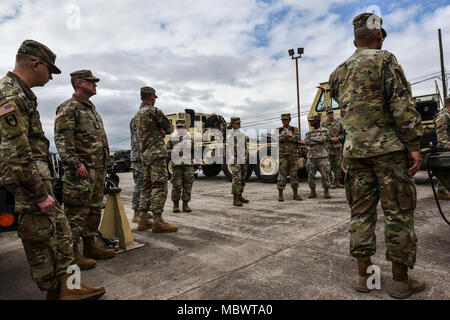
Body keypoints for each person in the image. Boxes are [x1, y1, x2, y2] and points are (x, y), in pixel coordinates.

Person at [329, 13, 425, 299]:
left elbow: (347, 106)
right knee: (397, 214)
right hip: (388, 152)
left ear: (354, 40)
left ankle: (365, 278)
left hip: (355, 154)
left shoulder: (339, 72)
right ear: (380, 36)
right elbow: (402, 107)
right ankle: (399, 283)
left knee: (361, 215)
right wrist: (414, 146)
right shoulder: (385, 60)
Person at [0, 40, 104, 300]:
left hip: (38, 182)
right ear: (36, 64)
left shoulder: (22, 93)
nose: (50, 78)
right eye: (49, 71)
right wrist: (38, 193)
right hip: (30, 186)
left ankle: (69, 288)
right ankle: (59, 291)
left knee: (59, 237)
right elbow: (14, 153)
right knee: (42, 242)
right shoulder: (10, 95)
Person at [54, 70, 115, 271]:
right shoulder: (68, 108)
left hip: (97, 171)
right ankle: (72, 255)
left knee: (93, 210)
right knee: (75, 214)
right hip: (81, 172)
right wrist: (75, 164)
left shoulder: (91, 109)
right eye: (91, 82)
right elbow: (63, 140)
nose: (95, 84)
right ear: (79, 83)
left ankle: (90, 247)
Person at [135, 86, 177, 232]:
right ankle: (158, 221)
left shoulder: (137, 115)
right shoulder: (153, 111)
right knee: (159, 186)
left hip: (145, 154)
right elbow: (170, 128)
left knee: (146, 186)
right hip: (157, 153)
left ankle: (143, 219)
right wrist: (163, 130)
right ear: (152, 97)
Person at [167, 119, 195, 213]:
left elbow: (195, 151)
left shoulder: (190, 139)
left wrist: (198, 164)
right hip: (177, 165)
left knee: (188, 185)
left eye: (182, 127)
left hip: (188, 165)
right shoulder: (172, 139)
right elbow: (166, 151)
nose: (180, 129)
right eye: (178, 127)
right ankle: (175, 205)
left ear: (185, 128)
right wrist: (172, 152)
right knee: (177, 185)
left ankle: (185, 204)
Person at [275, 113, 302, 201]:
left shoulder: (294, 129)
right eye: (283, 120)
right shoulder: (278, 130)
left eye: (286, 120)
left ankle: (295, 194)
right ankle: (280, 194)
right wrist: (288, 136)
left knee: (294, 175)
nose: (284, 121)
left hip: (293, 155)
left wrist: (283, 137)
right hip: (282, 155)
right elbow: (276, 139)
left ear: (289, 120)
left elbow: (297, 138)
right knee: (282, 175)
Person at [305, 115, 332, 199]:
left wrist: (312, 140)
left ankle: (326, 191)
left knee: (325, 174)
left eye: (312, 121)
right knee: (310, 174)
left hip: (322, 156)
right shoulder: (309, 132)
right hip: (311, 156)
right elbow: (306, 141)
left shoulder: (325, 130)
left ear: (317, 121)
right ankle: (313, 191)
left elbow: (323, 140)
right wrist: (317, 140)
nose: (310, 122)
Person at [321, 107, 345, 188]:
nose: (330, 114)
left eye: (331, 113)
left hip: (338, 147)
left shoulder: (338, 123)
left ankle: (337, 181)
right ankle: (330, 182)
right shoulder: (323, 125)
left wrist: (338, 138)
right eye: (329, 113)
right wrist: (330, 139)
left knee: (338, 165)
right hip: (328, 147)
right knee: (328, 165)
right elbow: (322, 136)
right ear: (327, 115)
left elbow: (343, 134)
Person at [227, 117, 249, 206]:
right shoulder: (230, 134)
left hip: (242, 159)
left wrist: (245, 156)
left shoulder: (241, 134)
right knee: (236, 179)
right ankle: (235, 198)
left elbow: (245, 147)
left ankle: (240, 195)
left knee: (243, 178)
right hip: (235, 159)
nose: (239, 124)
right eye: (237, 123)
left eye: (239, 123)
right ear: (233, 124)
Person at [433, 97, 450, 200]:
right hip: (445, 146)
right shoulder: (443, 116)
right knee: (446, 170)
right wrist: (447, 145)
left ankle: (442, 189)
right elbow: (441, 137)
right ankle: (442, 190)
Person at [130, 114, 145, 221]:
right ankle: (136, 214)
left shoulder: (136, 119)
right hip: (138, 158)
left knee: (144, 186)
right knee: (139, 186)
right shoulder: (137, 120)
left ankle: (142, 211)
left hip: (142, 157)